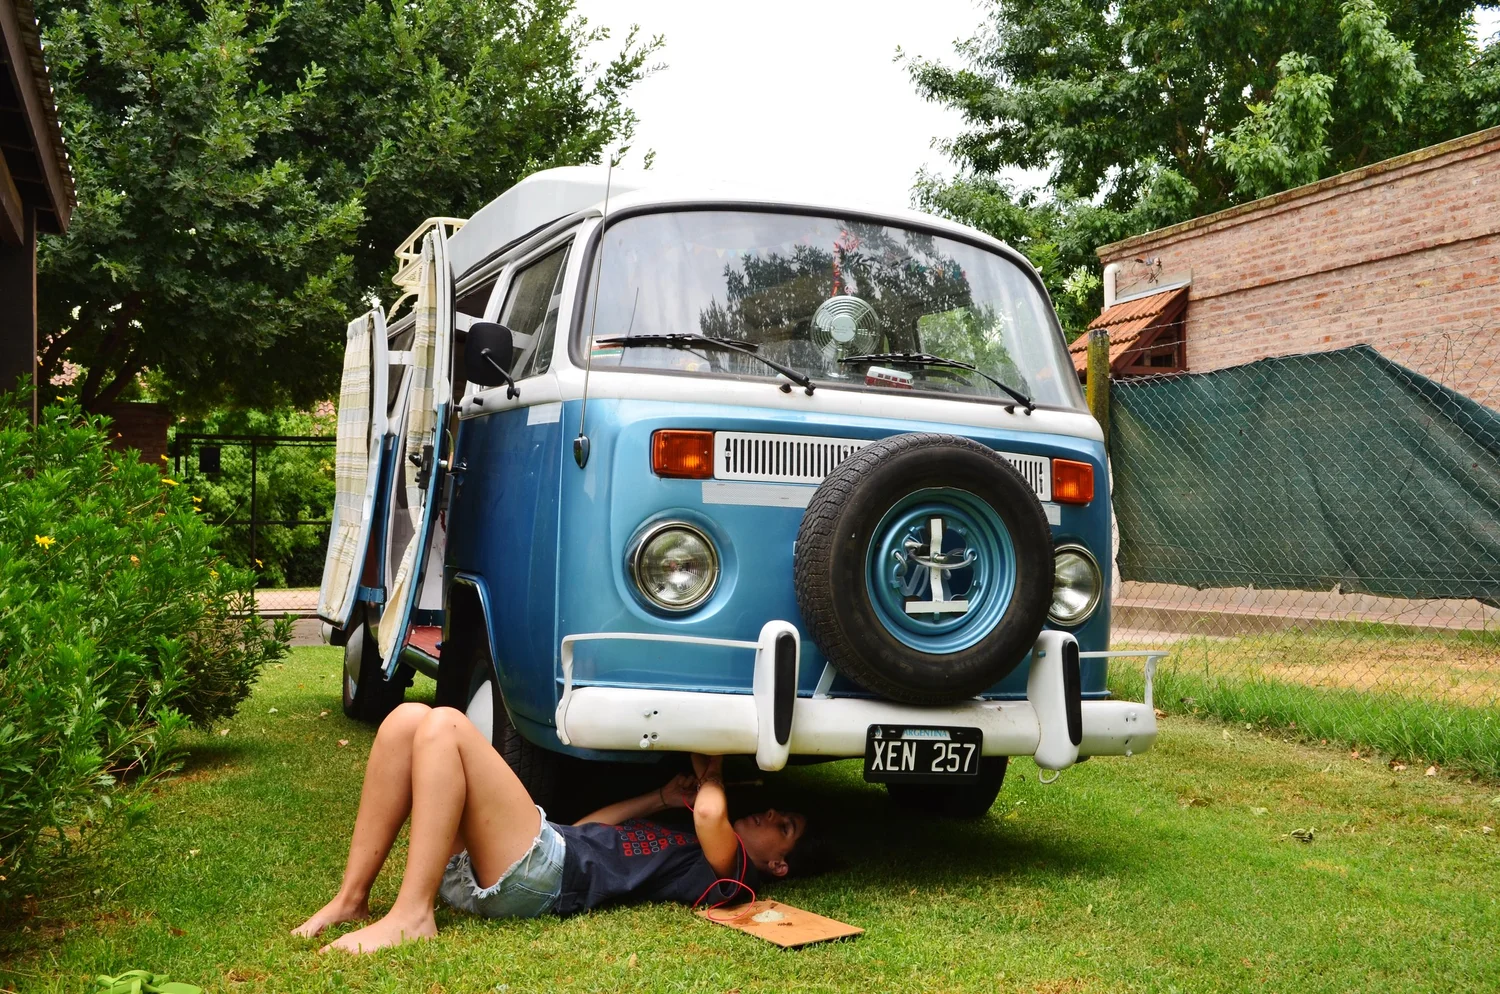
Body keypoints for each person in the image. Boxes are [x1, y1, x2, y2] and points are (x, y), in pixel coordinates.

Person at [292, 702, 810, 953]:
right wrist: (659, 797)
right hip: (509, 868)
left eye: (783, 826)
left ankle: (412, 914)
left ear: (777, 864)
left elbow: (709, 813)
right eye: (776, 811)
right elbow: (583, 829)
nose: (769, 815)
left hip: (537, 878)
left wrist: (714, 769)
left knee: (446, 723)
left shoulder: (736, 873)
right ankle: (352, 898)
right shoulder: (682, 839)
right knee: (406, 719)